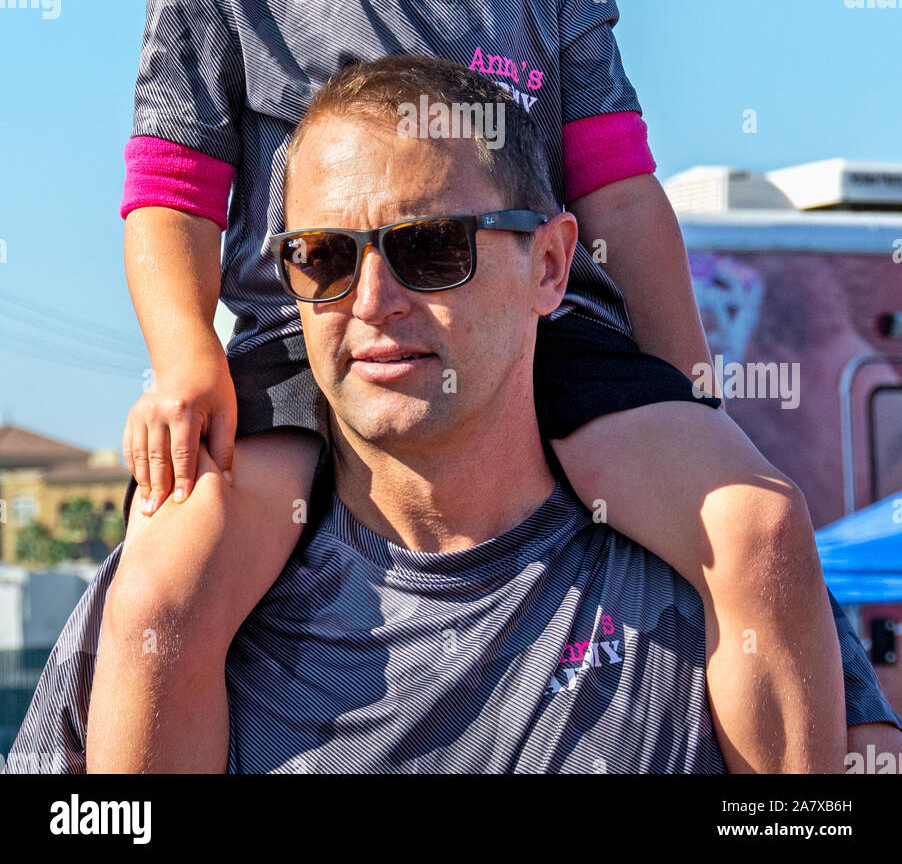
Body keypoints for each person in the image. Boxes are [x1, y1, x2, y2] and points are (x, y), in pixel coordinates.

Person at [84, 0, 865, 773]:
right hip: (307, 352)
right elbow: (171, 188)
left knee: (759, 524)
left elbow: (614, 185)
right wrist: (184, 361)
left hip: (541, 334)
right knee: (164, 601)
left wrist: (678, 380)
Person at [7, 59, 900, 774]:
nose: (372, 300)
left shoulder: (704, 570)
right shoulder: (165, 600)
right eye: (321, 256)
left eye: (432, 248)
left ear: (552, 266)